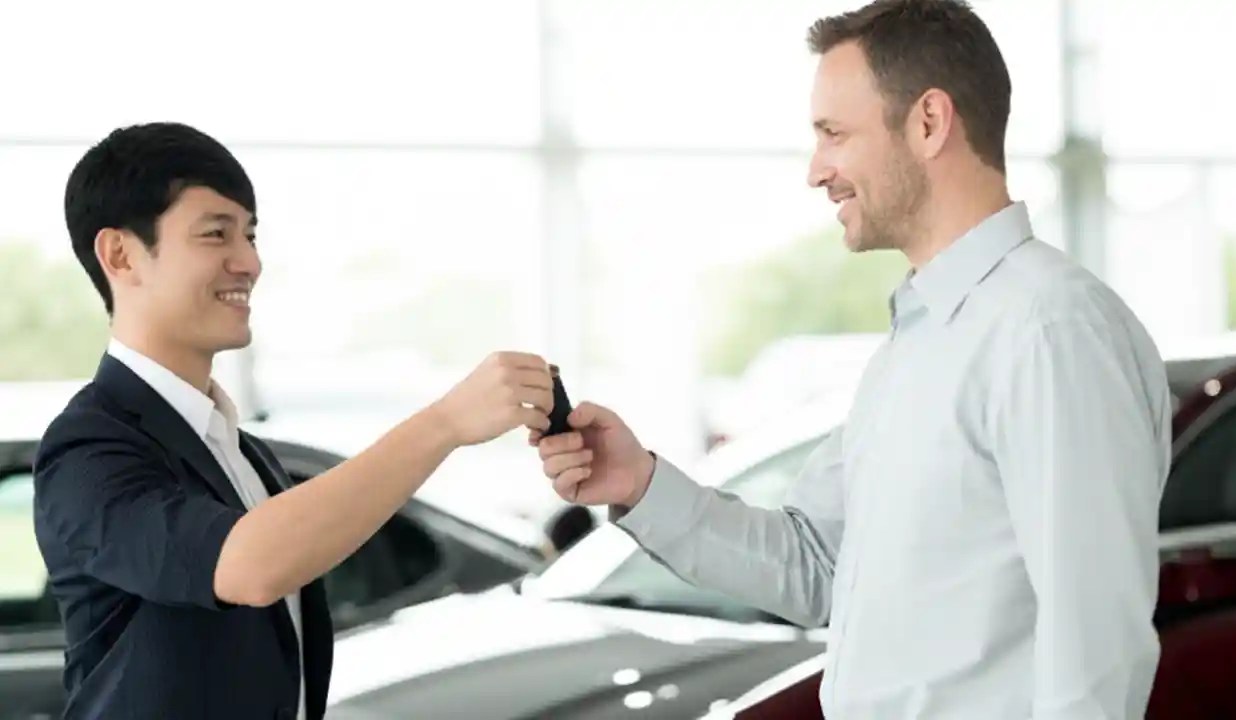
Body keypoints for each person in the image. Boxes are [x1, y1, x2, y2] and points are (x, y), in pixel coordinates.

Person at [534, 1, 1172, 718]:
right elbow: (813, 566)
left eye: (834, 134)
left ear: (929, 122)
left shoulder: (1049, 331)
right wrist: (640, 483)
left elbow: (1094, 655)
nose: (818, 171)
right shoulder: (920, 342)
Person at [33, 122, 555, 720]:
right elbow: (246, 566)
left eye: (251, 235)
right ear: (121, 255)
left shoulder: (242, 451)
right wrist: (445, 424)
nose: (249, 262)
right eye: (216, 235)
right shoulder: (88, 446)